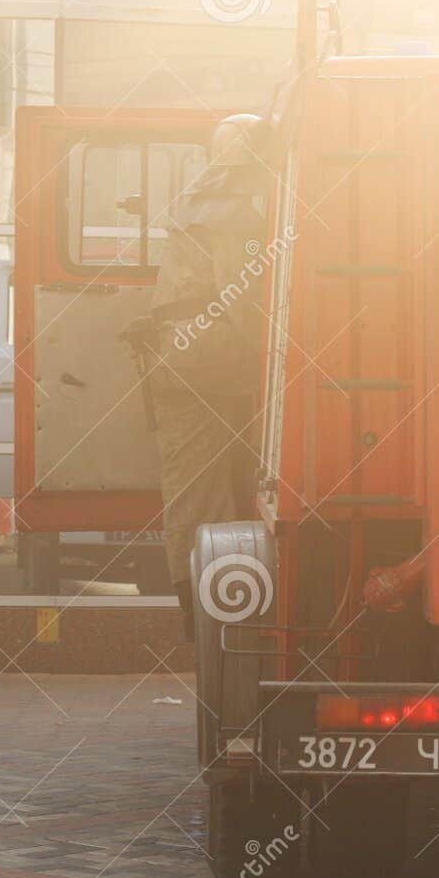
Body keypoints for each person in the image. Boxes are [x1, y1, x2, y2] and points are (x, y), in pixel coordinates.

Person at [149, 113, 270, 639]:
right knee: (210, 487)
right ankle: (210, 609)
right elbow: (243, 296)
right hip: (211, 350)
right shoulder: (237, 213)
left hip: (181, 351)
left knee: (193, 484)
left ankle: (200, 607)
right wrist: (284, 351)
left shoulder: (200, 197)